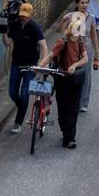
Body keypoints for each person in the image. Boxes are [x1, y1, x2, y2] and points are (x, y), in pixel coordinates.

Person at [39, 12, 88, 148]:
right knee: (63, 109)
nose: (80, 34)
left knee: (74, 108)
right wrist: (41, 66)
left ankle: (69, 138)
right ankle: (65, 131)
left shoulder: (79, 42)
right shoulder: (62, 42)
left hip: (76, 79)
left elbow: (85, 58)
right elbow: (50, 55)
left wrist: (74, 65)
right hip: (62, 79)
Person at [4, 1, 47, 134]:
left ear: (30, 15)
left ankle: (18, 122)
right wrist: (3, 32)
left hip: (31, 64)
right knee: (12, 92)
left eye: (26, 16)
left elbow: (43, 46)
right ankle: (22, 107)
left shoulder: (35, 27)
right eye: (22, 15)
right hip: (16, 63)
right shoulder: (15, 25)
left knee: (24, 94)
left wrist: (41, 65)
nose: (23, 18)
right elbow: (7, 43)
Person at [55, 0, 99, 112]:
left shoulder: (92, 18)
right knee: (70, 73)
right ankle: (71, 99)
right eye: (82, 3)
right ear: (77, 4)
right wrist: (63, 19)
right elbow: (58, 30)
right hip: (72, 49)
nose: (85, 5)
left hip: (87, 50)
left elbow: (93, 35)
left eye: (86, 3)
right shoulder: (71, 16)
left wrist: (96, 51)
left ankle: (83, 103)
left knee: (86, 75)